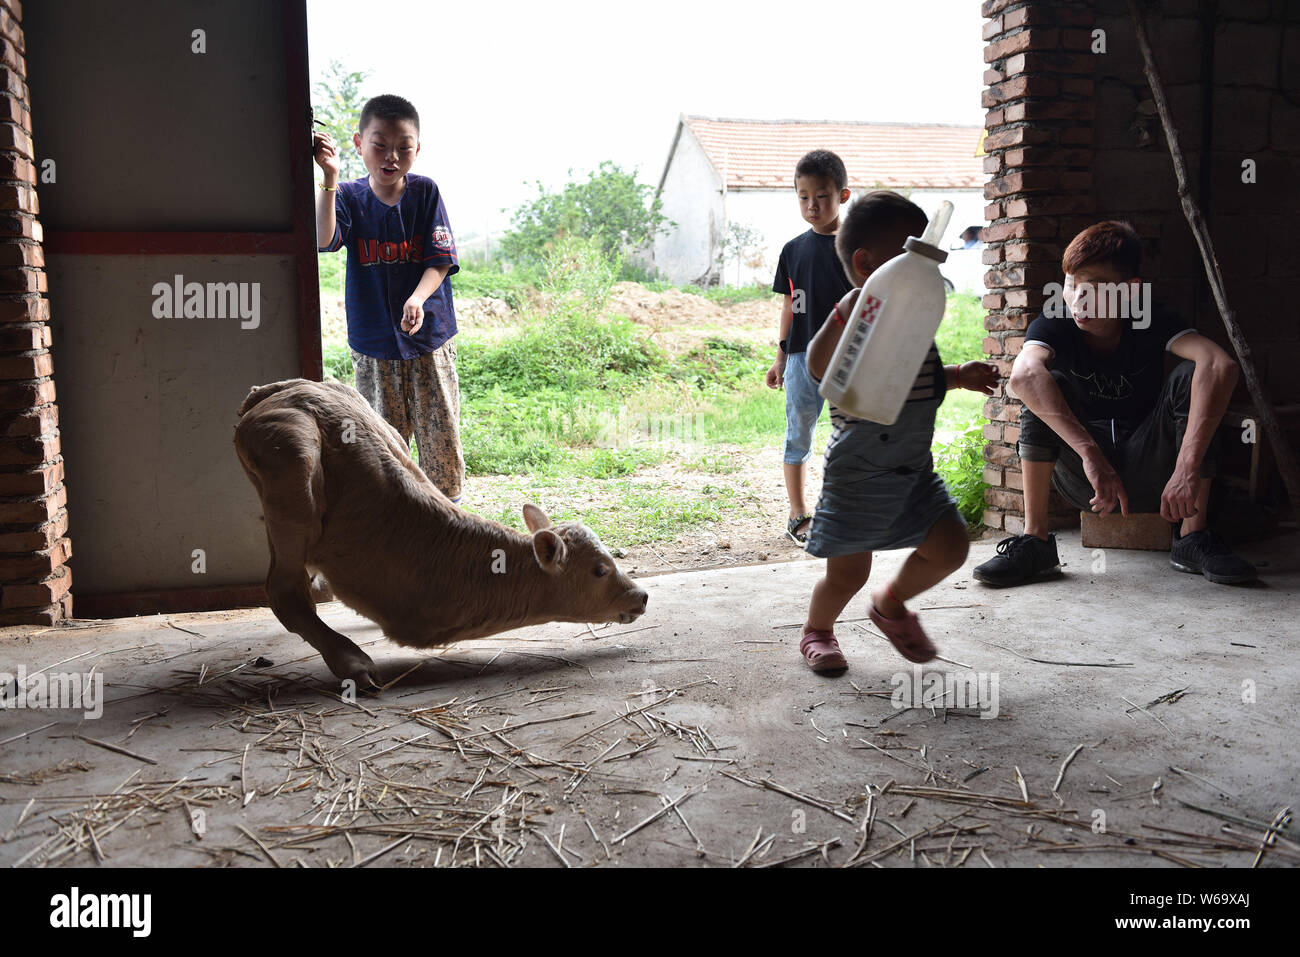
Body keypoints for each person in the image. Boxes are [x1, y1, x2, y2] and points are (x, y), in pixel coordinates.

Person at [973, 220, 1255, 586]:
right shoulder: (1057, 320)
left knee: (1196, 376)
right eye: (1072, 286)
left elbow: (1221, 365)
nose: (1078, 301)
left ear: (1130, 291)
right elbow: (1023, 376)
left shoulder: (1151, 318)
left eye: (1093, 290)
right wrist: (1090, 455)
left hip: (1158, 473)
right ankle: (1036, 540)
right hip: (1086, 480)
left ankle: (1192, 536)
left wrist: (1185, 470)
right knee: (1043, 383)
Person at [798, 191, 1000, 674]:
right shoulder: (857, 312)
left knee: (950, 546)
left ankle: (889, 605)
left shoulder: (911, 320)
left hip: (914, 470)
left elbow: (908, 376)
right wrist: (848, 312)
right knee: (848, 571)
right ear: (870, 266)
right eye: (909, 254)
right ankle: (817, 631)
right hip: (859, 473)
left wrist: (956, 375)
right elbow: (821, 367)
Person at [313, 94, 466, 503]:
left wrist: (417, 299)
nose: (391, 156)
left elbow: (439, 261)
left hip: (429, 341)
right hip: (374, 344)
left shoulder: (425, 193)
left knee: (441, 446)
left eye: (404, 146)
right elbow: (324, 239)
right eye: (379, 144)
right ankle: (394, 534)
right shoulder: (347, 196)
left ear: (418, 148)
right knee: (382, 450)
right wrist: (329, 177)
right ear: (359, 143)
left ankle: (448, 528)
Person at [766, 150, 854, 545]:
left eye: (822, 196)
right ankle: (797, 512)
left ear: (844, 196)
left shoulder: (857, 250)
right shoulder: (793, 250)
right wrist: (781, 355)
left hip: (849, 357)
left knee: (852, 433)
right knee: (798, 432)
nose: (812, 205)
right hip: (801, 357)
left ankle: (847, 508)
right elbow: (791, 304)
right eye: (803, 196)